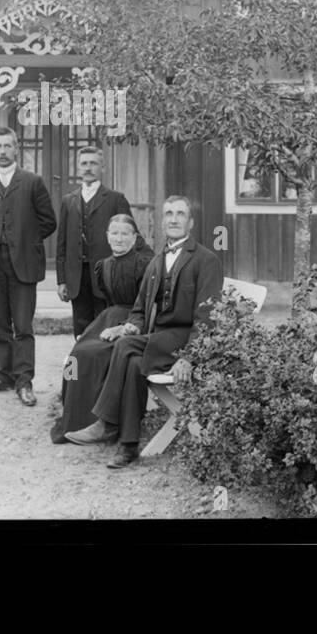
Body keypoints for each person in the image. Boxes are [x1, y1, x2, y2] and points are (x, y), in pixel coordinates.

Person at [65, 195, 224, 469]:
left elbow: (207, 318)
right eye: (169, 214)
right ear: (162, 221)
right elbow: (139, 308)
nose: (174, 219)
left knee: (125, 347)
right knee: (133, 361)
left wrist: (189, 357)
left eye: (180, 214)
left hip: (184, 338)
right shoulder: (157, 260)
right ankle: (128, 447)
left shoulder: (205, 260)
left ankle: (107, 423)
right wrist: (132, 325)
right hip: (158, 339)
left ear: (191, 222)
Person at [0, 125, 58, 407]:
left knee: (22, 325)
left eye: (8, 146)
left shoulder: (32, 181)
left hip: (23, 265)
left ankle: (24, 381)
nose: (3, 152)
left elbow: (49, 221)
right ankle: (4, 376)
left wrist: (24, 241)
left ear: (17, 148)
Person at [50, 215, 153, 444]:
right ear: (107, 237)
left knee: (92, 355)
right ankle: (70, 412)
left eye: (125, 233)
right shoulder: (103, 266)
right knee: (75, 355)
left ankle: (97, 421)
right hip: (110, 318)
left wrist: (121, 329)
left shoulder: (144, 264)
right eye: (114, 233)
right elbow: (107, 302)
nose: (119, 238)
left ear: (135, 237)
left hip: (135, 324)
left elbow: (147, 308)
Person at [55, 146, 133, 338]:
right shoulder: (68, 201)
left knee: (105, 325)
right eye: (84, 163)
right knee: (80, 328)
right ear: (78, 168)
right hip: (77, 276)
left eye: (93, 163)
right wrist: (62, 280)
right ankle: (81, 364)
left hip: (107, 276)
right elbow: (62, 243)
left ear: (102, 167)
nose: (88, 168)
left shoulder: (115, 199)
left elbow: (132, 238)